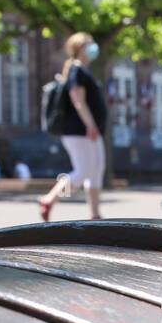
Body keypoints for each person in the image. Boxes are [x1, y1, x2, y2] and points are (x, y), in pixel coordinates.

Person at [39, 32, 108, 222]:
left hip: (88, 131)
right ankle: (50, 199)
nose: (94, 47)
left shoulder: (83, 71)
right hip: (79, 131)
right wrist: (91, 125)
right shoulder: (77, 70)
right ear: (80, 48)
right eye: (89, 44)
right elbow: (78, 100)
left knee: (96, 169)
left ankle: (95, 213)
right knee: (83, 170)